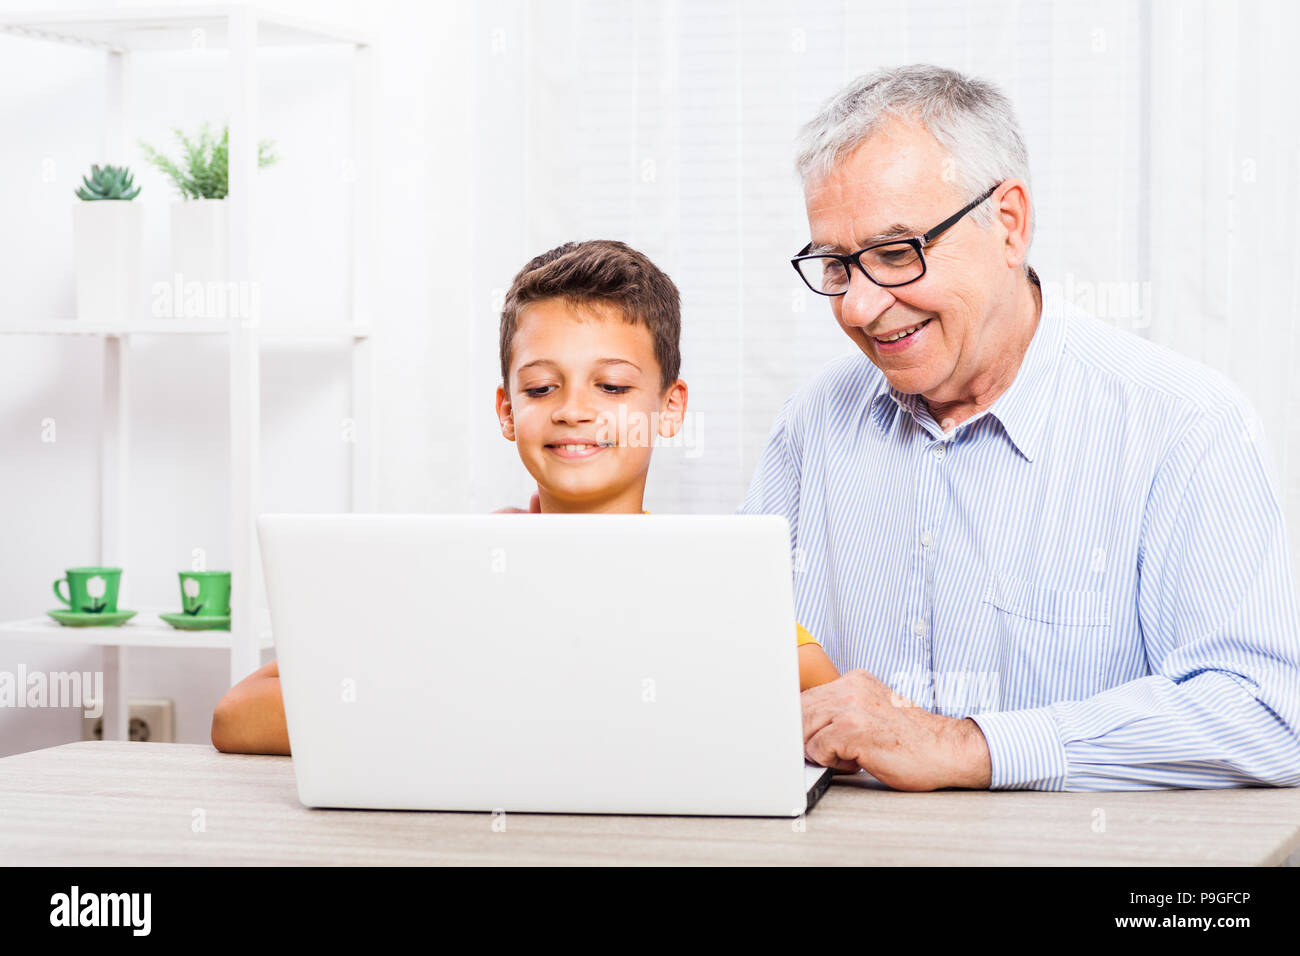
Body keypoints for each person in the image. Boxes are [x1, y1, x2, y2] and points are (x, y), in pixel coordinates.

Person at [745, 64, 1300, 792]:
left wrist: (972, 747)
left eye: (893, 253)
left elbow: (1267, 713)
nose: (859, 308)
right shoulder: (811, 427)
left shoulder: (1184, 426)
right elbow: (743, 661)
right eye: (838, 266)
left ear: (1008, 223)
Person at [212, 240, 839, 755]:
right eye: (541, 389)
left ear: (669, 409)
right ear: (507, 411)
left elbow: (825, 708)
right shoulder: (458, 570)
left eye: (613, 386)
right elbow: (237, 716)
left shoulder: (711, 580)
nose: (572, 410)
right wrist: (479, 701)